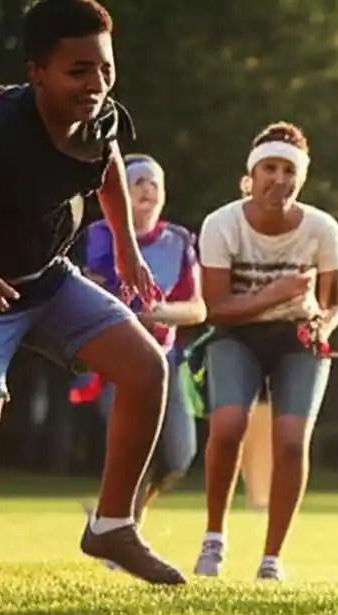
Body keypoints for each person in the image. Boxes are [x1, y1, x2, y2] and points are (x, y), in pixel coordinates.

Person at [0, 0, 185, 588]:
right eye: (79, 71)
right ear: (37, 72)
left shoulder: (98, 114)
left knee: (146, 367)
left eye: (105, 69)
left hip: (46, 279)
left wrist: (124, 242)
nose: (96, 85)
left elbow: (108, 161)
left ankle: (112, 525)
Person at [193, 121, 338, 582]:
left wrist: (322, 324)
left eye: (288, 171)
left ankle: (271, 558)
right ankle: (213, 537)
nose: (278, 179)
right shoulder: (221, 224)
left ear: (300, 179)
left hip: (297, 340)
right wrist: (276, 292)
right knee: (227, 426)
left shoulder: (322, 229)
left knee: (291, 440)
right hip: (236, 335)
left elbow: (335, 301)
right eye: (269, 168)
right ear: (251, 175)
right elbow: (216, 309)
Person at [79, 153, 205, 522]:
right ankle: (120, 528)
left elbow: (197, 309)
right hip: (115, 356)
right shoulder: (98, 235)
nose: (148, 189)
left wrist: (158, 313)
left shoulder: (179, 241)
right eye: (138, 182)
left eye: (155, 183)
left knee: (177, 458)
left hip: (165, 357)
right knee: (134, 447)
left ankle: (114, 520)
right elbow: (86, 287)